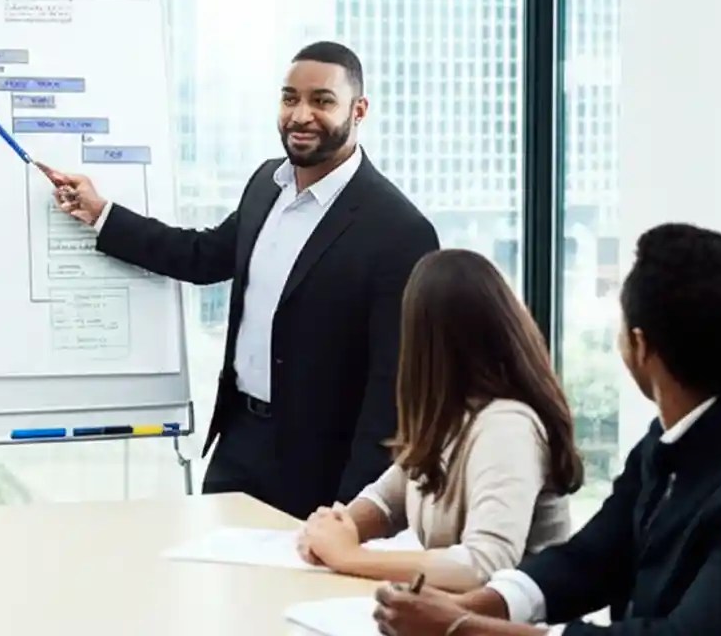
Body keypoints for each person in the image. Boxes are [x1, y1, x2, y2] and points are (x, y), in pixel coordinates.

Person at [43, 41, 439, 518]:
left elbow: (391, 392)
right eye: (290, 98)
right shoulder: (265, 184)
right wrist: (102, 214)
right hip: (238, 445)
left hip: (321, 470)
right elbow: (203, 255)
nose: (301, 114)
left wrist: (356, 508)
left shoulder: (399, 231)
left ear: (359, 110)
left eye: (322, 100)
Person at [372, 223, 721, 635]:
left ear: (640, 347)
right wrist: (476, 606)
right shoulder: (669, 440)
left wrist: (462, 627)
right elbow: (594, 557)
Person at [297, 250, 583, 592]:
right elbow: (389, 499)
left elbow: (483, 564)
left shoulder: (507, 427)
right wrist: (338, 528)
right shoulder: (452, 415)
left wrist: (350, 557)